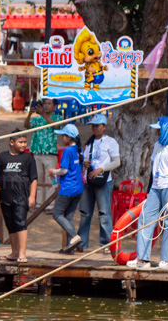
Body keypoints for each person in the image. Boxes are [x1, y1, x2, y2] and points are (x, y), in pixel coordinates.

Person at [128, 117, 168, 270]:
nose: (157, 132)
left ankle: (165, 260)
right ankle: (142, 258)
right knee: (145, 219)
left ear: (167, 129)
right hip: (155, 187)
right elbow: (153, 171)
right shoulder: (157, 145)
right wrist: (148, 192)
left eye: (159, 130)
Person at [75, 113, 121, 250]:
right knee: (84, 212)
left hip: (103, 182)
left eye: (97, 126)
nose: (94, 128)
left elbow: (117, 162)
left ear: (104, 127)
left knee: (104, 213)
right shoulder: (89, 143)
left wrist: (101, 169)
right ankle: (81, 243)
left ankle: (107, 244)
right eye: (92, 126)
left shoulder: (111, 142)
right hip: (88, 181)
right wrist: (85, 164)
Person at [0, 133, 38, 263]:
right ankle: (14, 253)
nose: (24, 145)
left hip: (21, 197)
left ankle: (22, 254)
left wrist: (32, 196)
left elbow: (34, 179)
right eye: (21, 142)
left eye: (25, 142)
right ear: (11, 142)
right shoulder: (2, 157)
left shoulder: (28, 158)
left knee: (20, 222)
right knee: (10, 225)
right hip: (5, 197)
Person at [49, 124, 85, 253]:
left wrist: (53, 171)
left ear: (69, 137)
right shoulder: (79, 150)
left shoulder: (68, 151)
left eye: (63, 136)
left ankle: (74, 236)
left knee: (57, 213)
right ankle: (70, 247)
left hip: (68, 188)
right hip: (78, 188)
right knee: (69, 215)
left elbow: (63, 171)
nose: (62, 138)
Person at [24, 98, 58, 190]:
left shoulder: (57, 117)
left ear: (55, 106)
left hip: (50, 154)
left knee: (51, 181)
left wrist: (43, 114)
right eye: (45, 103)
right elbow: (26, 125)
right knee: (38, 181)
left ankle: (50, 204)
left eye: (49, 103)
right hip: (37, 153)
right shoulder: (37, 119)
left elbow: (56, 125)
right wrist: (29, 114)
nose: (46, 105)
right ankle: (39, 204)